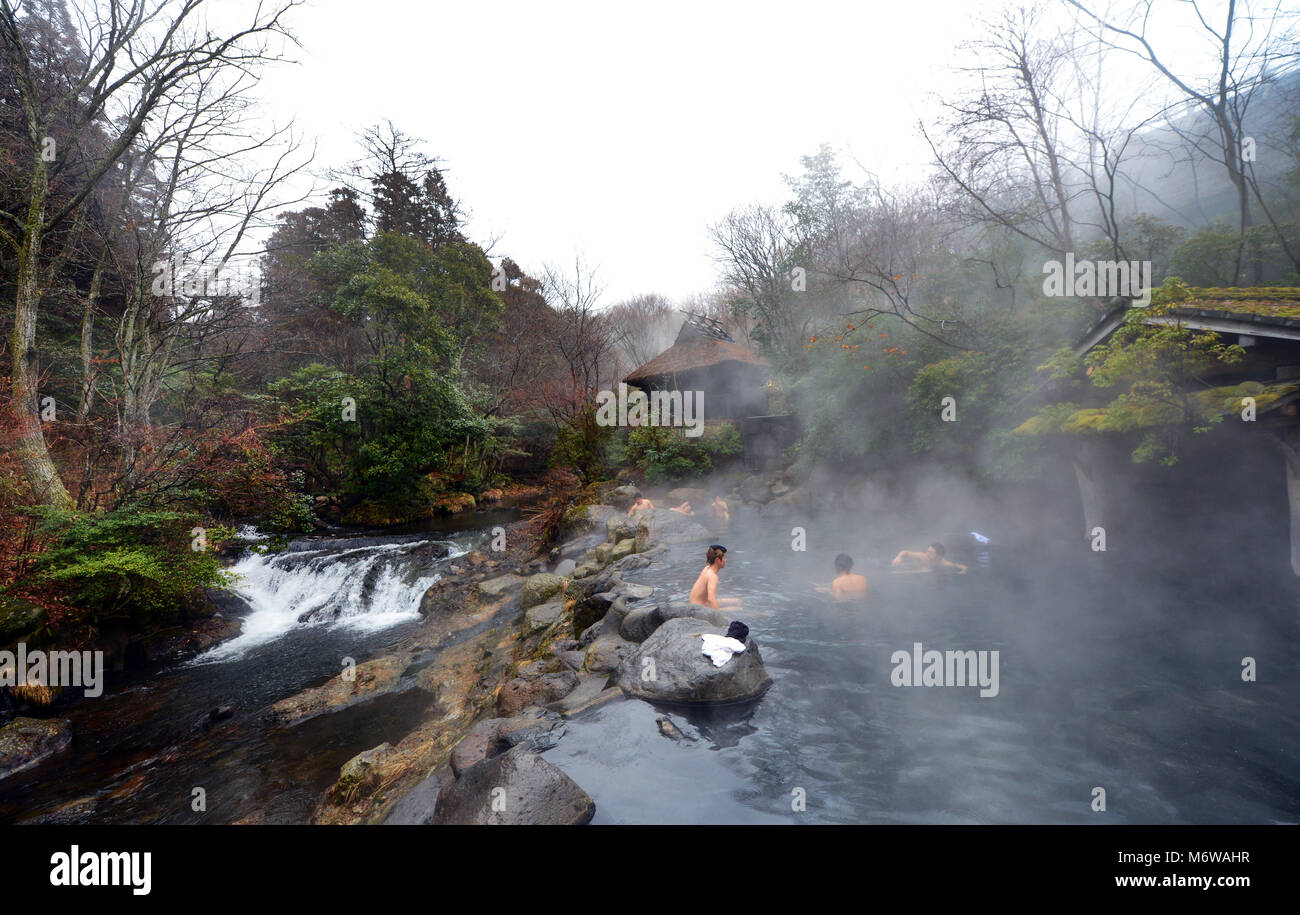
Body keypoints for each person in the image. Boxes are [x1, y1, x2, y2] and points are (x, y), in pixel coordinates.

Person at [689, 544, 742, 610]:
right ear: (717, 560)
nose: (725, 560)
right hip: (699, 609)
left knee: (737, 601)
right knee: (738, 608)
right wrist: (719, 616)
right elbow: (711, 599)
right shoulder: (712, 576)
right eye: (724, 558)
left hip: (696, 603)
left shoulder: (707, 568)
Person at [890, 542, 967, 573]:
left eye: (931, 553)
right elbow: (905, 552)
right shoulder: (922, 556)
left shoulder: (943, 562)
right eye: (927, 551)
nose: (927, 554)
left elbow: (963, 567)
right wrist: (898, 557)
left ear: (939, 556)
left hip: (925, 571)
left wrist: (963, 571)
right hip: (914, 568)